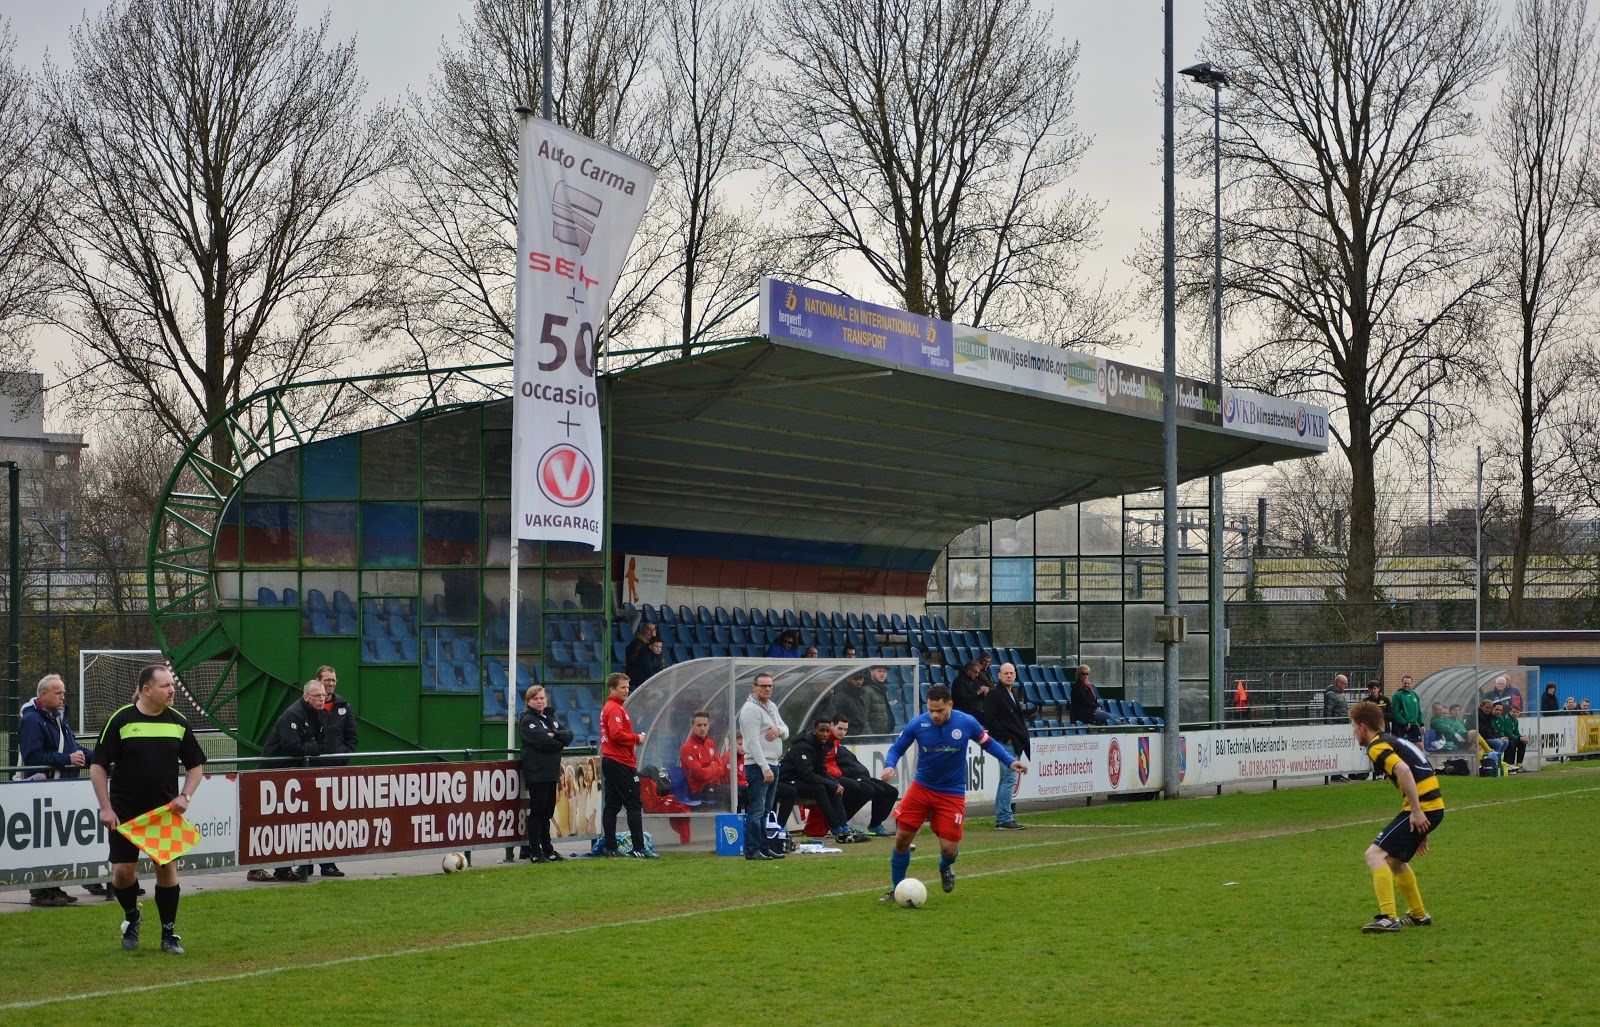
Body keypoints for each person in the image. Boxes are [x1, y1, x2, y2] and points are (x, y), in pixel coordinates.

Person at [90, 664, 207, 954]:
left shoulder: (178, 722)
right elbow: (97, 765)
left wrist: (186, 796)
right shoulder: (121, 720)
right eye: (166, 686)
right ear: (146, 690)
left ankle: (169, 934)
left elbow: (196, 765)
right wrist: (105, 808)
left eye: (172, 686)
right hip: (125, 813)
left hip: (163, 814)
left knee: (166, 869)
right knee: (122, 874)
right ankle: (132, 917)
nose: (172, 691)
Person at [878, 684, 1027, 900]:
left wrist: (1010, 761)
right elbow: (897, 748)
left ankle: (945, 866)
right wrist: (890, 765)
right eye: (931, 710)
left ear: (950, 704)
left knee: (949, 849)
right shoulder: (918, 724)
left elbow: (989, 744)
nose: (934, 715)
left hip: (951, 793)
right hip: (921, 788)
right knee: (902, 838)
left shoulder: (965, 722)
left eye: (939, 710)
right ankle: (897, 889)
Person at [1348, 700, 1444, 933]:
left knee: (1374, 855)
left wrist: (1417, 811)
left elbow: (1403, 770)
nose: (1352, 732)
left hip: (1424, 807)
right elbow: (1423, 770)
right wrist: (1424, 821)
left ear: (1362, 727)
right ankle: (1419, 915)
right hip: (1432, 805)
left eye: (1352, 726)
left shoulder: (1376, 747)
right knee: (1395, 860)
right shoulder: (1394, 741)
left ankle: (1388, 917)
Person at [19, 673, 101, 906]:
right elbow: (32, 756)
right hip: (43, 790)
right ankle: (41, 891)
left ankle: (53, 887)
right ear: (43, 695)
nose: (63, 697)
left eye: (63, 692)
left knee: (55, 841)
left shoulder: (57, 718)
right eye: (58, 693)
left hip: (61, 787)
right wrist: (66, 758)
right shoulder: (33, 721)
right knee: (43, 840)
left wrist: (99, 758)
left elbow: (73, 747)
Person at [254, 678, 328, 882]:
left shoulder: (319, 716)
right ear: (306, 697)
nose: (322, 699)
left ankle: (283, 868)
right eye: (318, 696)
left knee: (289, 823)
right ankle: (254, 869)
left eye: (324, 696)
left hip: (292, 776)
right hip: (272, 774)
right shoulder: (293, 714)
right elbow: (292, 747)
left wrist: (311, 746)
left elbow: (323, 745)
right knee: (266, 822)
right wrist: (311, 746)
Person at [781, 717, 869, 844]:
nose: (825, 734)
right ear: (814, 730)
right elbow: (807, 774)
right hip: (789, 780)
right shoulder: (802, 746)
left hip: (803, 779)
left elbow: (821, 770)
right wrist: (831, 784)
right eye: (822, 731)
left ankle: (844, 828)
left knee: (834, 787)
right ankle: (837, 830)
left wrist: (834, 784)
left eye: (827, 731)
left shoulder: (823, 745)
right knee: (821, 788)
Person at [599, 672, 655, 857]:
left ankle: (611, 847)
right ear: (612, 689)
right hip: (620, 761)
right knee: (633, 804)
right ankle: (639, 848)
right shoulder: (614, 708)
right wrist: (636, 738)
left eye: (627, 687)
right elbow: (616, 734)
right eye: (622, 687)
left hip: (611, 760)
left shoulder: (614, 707)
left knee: (612, 805)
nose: (626, 690)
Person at [519, 684, 573, 862]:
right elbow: (543, 742)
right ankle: (535, 851)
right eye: (536, 699)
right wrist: (558, 742)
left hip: (551, 772)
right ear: (529, 702)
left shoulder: (550, 718)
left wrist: (555, 734)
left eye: (542, 698)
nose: (540, 701)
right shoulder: (527, 720)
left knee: (547, 812)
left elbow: (569, 735)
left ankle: (548, 849)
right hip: (537, 772)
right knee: (538, 812)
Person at [738, 674, 789, 860]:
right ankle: (752, 849)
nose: (767, 689)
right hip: (759, 766)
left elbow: (785, 729)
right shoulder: (751, 710)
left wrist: (779, 730)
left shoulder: (771, 706)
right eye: (763, 686)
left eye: (770, 686)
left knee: (767, 811)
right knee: (757, 810)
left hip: (773, 763)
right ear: (754, 687)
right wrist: (764, 767)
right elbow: (752, 742)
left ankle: (764, 846)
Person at [314, 665, 357, 878]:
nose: (330, 683)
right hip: (312, 772)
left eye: (333, 680)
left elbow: (352, 738)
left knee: (330, 820)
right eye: (326, 680)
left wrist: (341, 757)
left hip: (334, 771)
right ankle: (304, 865)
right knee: (310, 820)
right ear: (318, 682)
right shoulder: (310, 705)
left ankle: (328, 865)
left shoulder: (343, 706)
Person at [825, 714, 897, 836]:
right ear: (832, 725)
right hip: (833, 777)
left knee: (891, 791)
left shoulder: (837, 742)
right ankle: (838, 823)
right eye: (840, 729)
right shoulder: (824, 741)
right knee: (869, 790)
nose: (843, 732)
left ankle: (875, 824)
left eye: (845, 730)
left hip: (853, 776)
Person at [981, 663, 1033, 829]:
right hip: (1006, 743)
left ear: (1015, 675)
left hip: (1014, 742)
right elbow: (990, 719)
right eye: (1006, 673)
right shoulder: (994, 694)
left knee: (1006, 779)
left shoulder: (1011, 693)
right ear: (999, 675)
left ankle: (1002, 816)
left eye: (1011, 673)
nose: (1009, 676)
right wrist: (1006, 738)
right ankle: (1004, 818)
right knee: (1009, 779)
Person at [679, 710, 731, 805]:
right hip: (700, 790)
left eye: (705, 725)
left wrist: (709, 769)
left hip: (714, 785)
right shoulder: (688, 748)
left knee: (744, 791)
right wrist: (714, 767)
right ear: (692, 727)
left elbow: (721, 769)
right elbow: (700, 775)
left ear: (708, 726)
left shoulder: (709, 743)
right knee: (734, 794)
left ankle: (745, 819)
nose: (702, 728)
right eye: (699, 725)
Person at [1493, 702, 1527, 772]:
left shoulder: (1516, 721)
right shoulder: (1507, 718)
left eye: (1517, 712)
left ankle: (1519, 764)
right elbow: (1508, 733)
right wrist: (1519, 738)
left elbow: (1516, 732)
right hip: (1506, 738)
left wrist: (1522, 737)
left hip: (1508, 738)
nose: (1515, 714)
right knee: (1511, 743)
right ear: (1509, 711)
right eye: (1514, 712)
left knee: (1522, 743)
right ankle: (1508, 763)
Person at [1391, 675, 1423, 744]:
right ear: (1402, 683)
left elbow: (1418, 710)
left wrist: (1421, 724)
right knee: (1405, 746)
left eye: (1408, 683)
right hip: (1403, 726)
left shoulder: (1414, 694)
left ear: (1411, 683)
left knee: (1419, 745)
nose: (1406, 685)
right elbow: (1396, 712)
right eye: (1405, 683)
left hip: (1414, 725)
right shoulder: (1397, 695)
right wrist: (1404, 723)